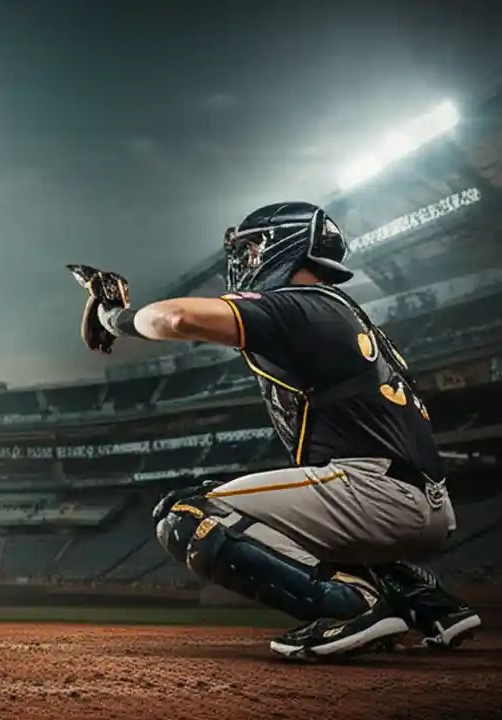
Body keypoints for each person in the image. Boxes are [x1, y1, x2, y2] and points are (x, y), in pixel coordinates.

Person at [70, 202, 480, 659]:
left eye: (252, 248)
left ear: (284, 244)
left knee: (185, 513)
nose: (244, 261)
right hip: (420, 502)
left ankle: (354, 608)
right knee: (266, 521)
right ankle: (430, 604)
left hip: (376, 491)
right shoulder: (342, 312)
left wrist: (115, 319)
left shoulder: (301, 304)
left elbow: (177, 318)